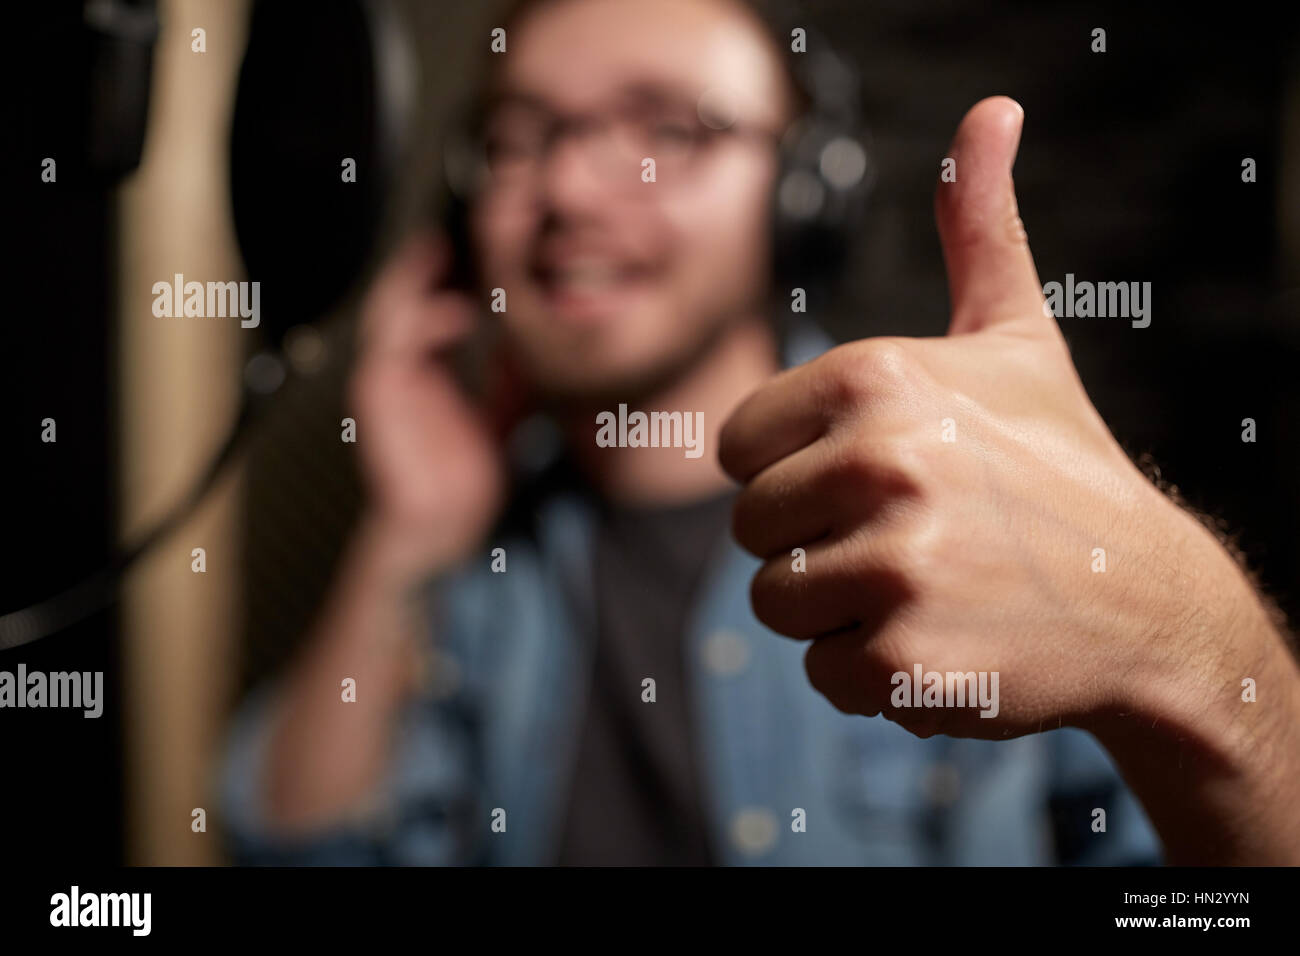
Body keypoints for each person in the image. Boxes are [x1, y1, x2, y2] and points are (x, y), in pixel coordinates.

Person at [220, 0, 1299, 865]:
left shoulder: (971, 508)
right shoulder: (478, 566)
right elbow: (284, 845)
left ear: (800, 200)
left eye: (663, 127)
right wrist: (409, 533)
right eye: (520, 136)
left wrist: (1192, 637)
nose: (565, 188)